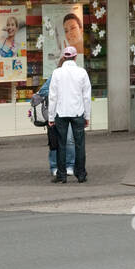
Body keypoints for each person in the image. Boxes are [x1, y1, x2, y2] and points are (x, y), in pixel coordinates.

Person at [47, 45, 91, 184]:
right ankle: (81, 173)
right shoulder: (82, 72)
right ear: (75, 57)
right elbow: (86, 97)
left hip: (61, 112)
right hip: (78, 112)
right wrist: (87, 116)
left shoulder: (57, 73)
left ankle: (62, 174)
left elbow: (52, 96)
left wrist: (51, 116)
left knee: (61, 144)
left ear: (64, 57)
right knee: (79, 144)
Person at [35, 76, 75, 178]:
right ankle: (54, 167)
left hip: (70, 112)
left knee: (69, 140)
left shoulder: (74, 76)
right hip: (55, 113)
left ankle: (69, 166)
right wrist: (57, 92)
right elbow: (42, 92)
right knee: (54, 141)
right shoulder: (55, 75)